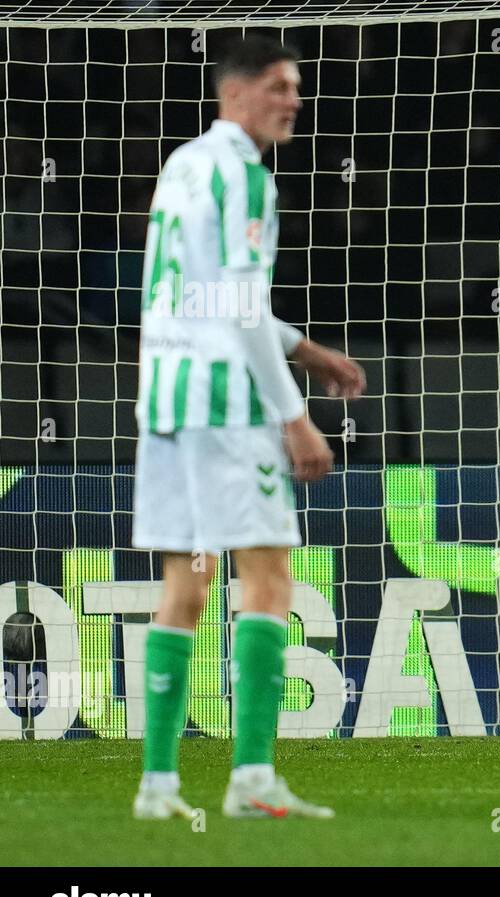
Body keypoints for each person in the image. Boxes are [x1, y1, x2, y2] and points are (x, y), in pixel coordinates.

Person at [131, 35, 365, 818]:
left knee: (184, 590)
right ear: (236, 94)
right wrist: (296, 418)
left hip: (164, 403)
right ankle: (253, 781)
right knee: (266, 583)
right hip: (227, 409)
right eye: (279, 87)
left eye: (296, 88)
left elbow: (207, 296)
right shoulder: (245, 177)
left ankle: (159, 785)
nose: (293, 101)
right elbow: (235, 303)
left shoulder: (183, 165)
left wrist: (307, 349)